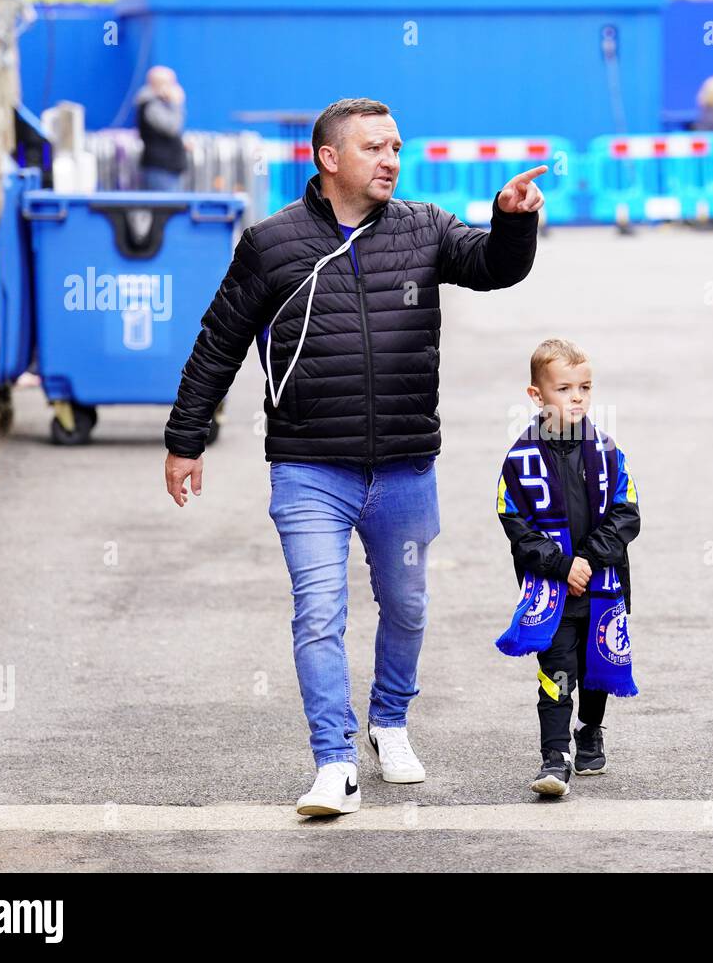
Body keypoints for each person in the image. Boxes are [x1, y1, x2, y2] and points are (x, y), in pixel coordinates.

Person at [162, 98, 545, 816]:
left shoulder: (425, 228)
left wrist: (513, 219)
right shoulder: (271, 244)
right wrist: (186, 439)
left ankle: (390, 722)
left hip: (404, 464)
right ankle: (333, 760)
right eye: (374, 148)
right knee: (318, 613)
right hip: (309, 465)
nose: (391, 160)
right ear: (329, 159)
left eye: (396, 146)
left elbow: (493, 266)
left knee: (406, 607)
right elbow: (219, 340)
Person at [494, 339, 640, 797]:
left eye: (585, 387)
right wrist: (561, 565)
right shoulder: (520, 458)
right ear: (537, 396)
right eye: (564, 388)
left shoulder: (608, 450)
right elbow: (514, 520)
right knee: (557, 672)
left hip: (601, 587)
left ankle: (590, 729)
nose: (577, 397)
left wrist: (589, 560)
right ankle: (554, 758)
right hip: (553, 591)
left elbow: (627, 511)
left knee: (594, 669)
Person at [135, 66, 187, 191]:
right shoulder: (151, 105)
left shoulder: (158, 103)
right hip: (161, 169)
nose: (176, 88)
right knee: (165, 209)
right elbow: (172, 127)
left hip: (166, 168)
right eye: (172, 84)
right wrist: (176, 104)